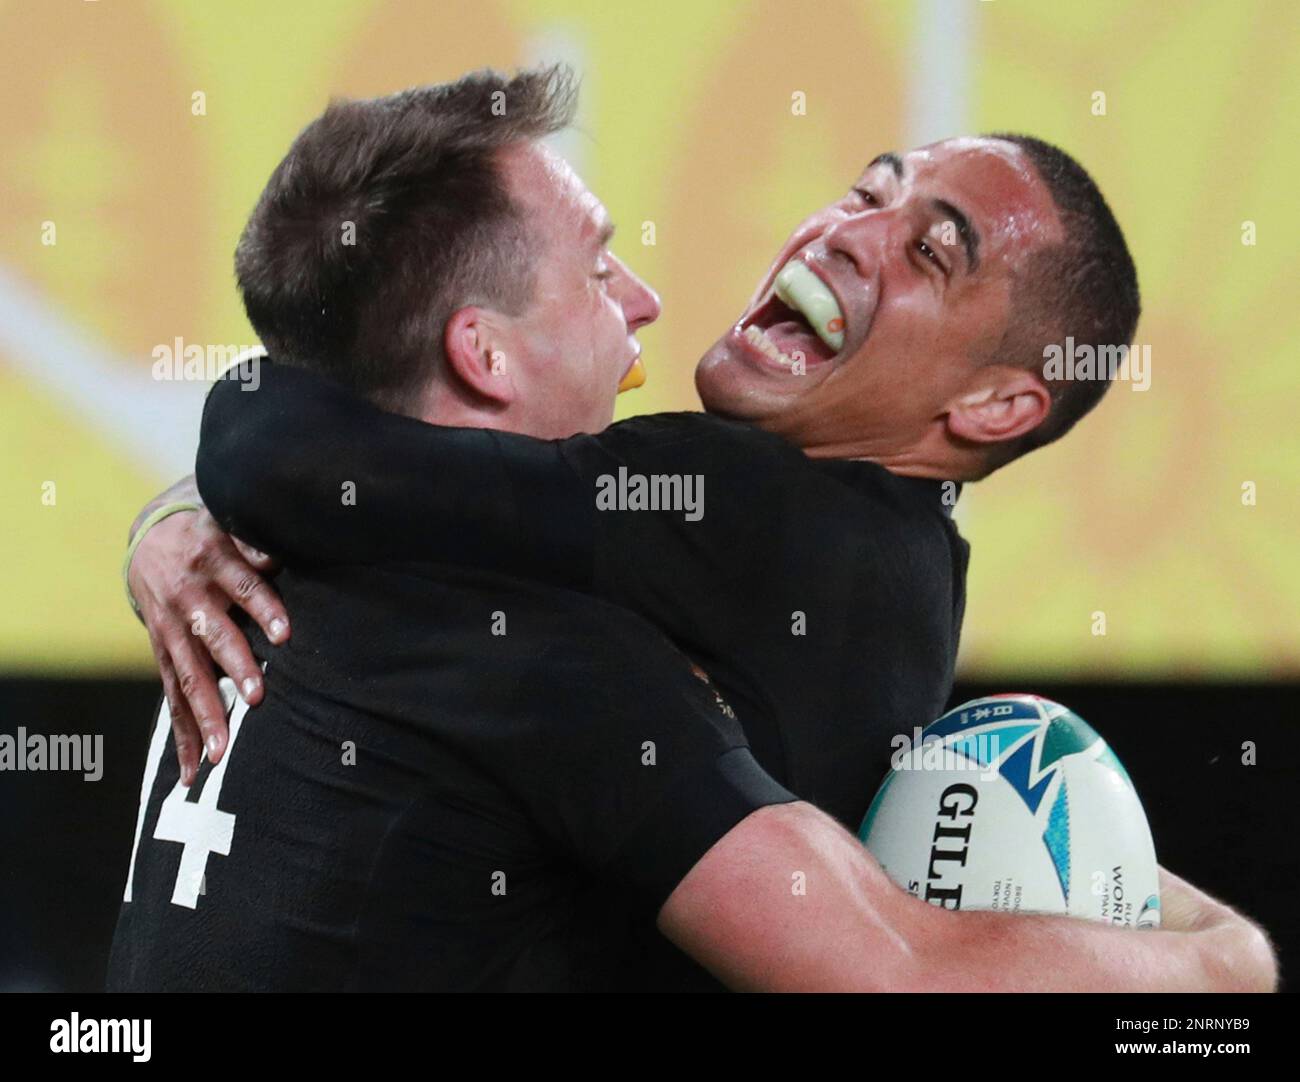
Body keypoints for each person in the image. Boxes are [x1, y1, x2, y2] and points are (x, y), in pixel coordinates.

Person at [116, 67, 1275, 991]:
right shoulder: (563, 637)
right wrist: (1219, 956)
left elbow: (296, 448)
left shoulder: (288, 602)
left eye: (930, 248)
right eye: (867, 192)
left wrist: (181, 508)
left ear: (995, 405)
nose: (643, 300)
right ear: (484, 351)